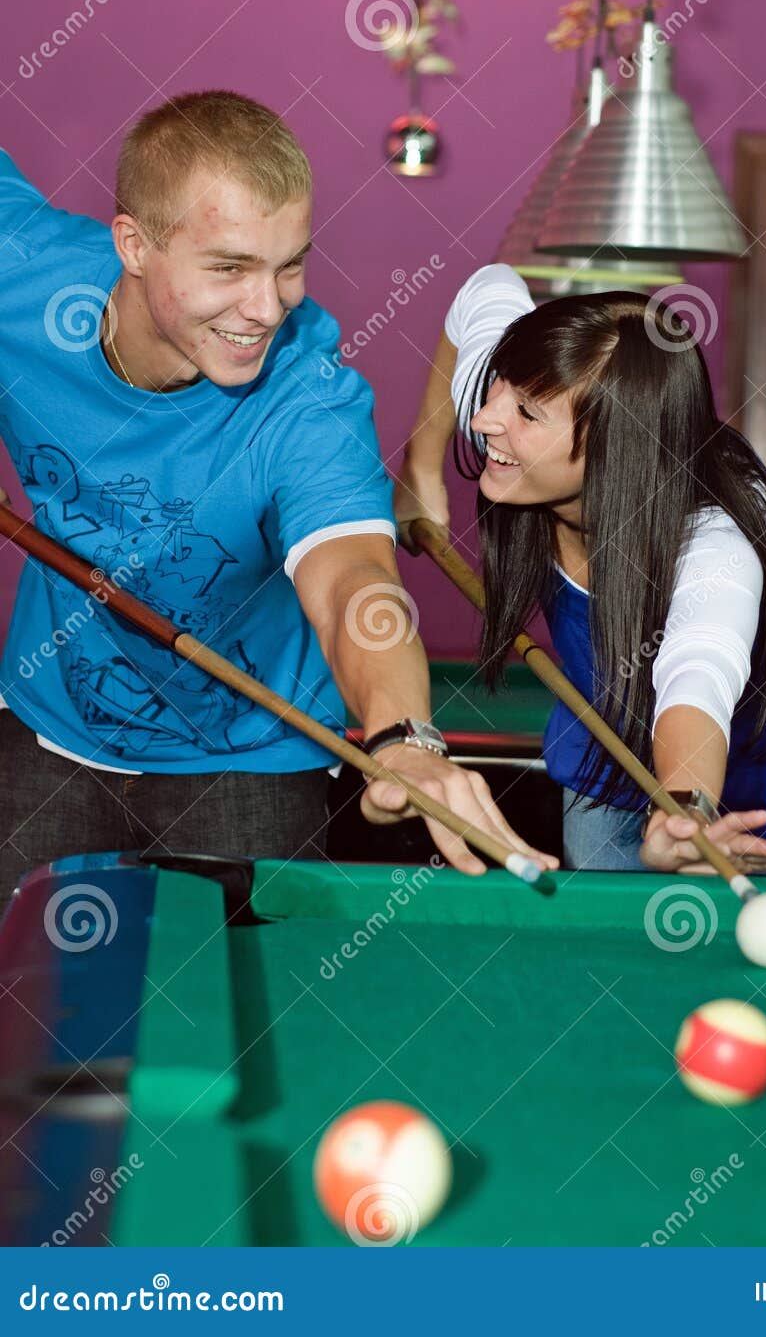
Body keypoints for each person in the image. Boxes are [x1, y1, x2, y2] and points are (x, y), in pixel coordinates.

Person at [0, 93, 553, 906]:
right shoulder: (25, 274)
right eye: (228, 268)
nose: (266, 308)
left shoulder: (306, 400)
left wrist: (404, 737)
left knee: (242, 987)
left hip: (252, 757)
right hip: (53, 729)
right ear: (134, 246)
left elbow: (353, 582)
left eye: (288, 265)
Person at [396, 264, 766, 876]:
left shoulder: (718, 537)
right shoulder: (518, 407)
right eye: (498, 391)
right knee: (603, 936)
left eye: (527, 413)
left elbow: (699, 672)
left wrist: (685, 813)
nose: (488, 419)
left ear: (615, 449)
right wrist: (421, 468)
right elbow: (484, 288)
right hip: (608, 735)